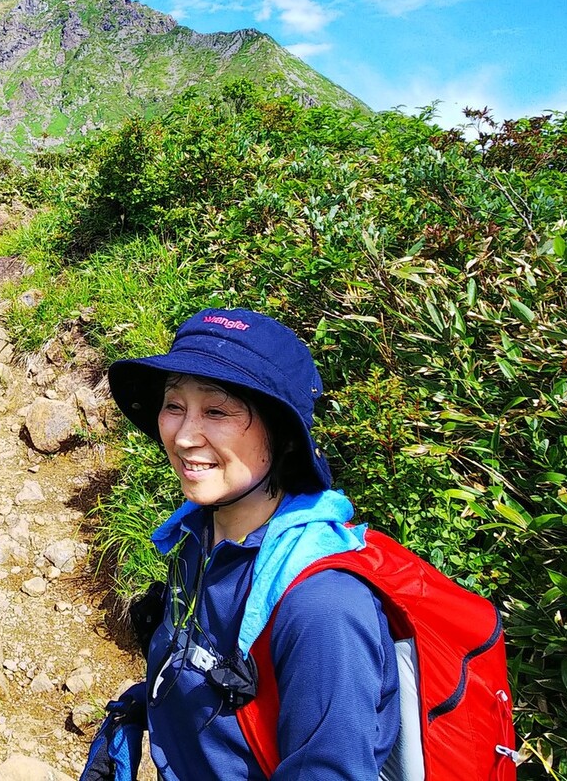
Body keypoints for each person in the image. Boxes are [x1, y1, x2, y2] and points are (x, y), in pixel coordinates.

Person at [105, 307, 400, 781]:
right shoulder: (199, 535)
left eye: (217, 411)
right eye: (174, 405)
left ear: (283, 436)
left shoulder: (322, 607)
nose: (183, 436)